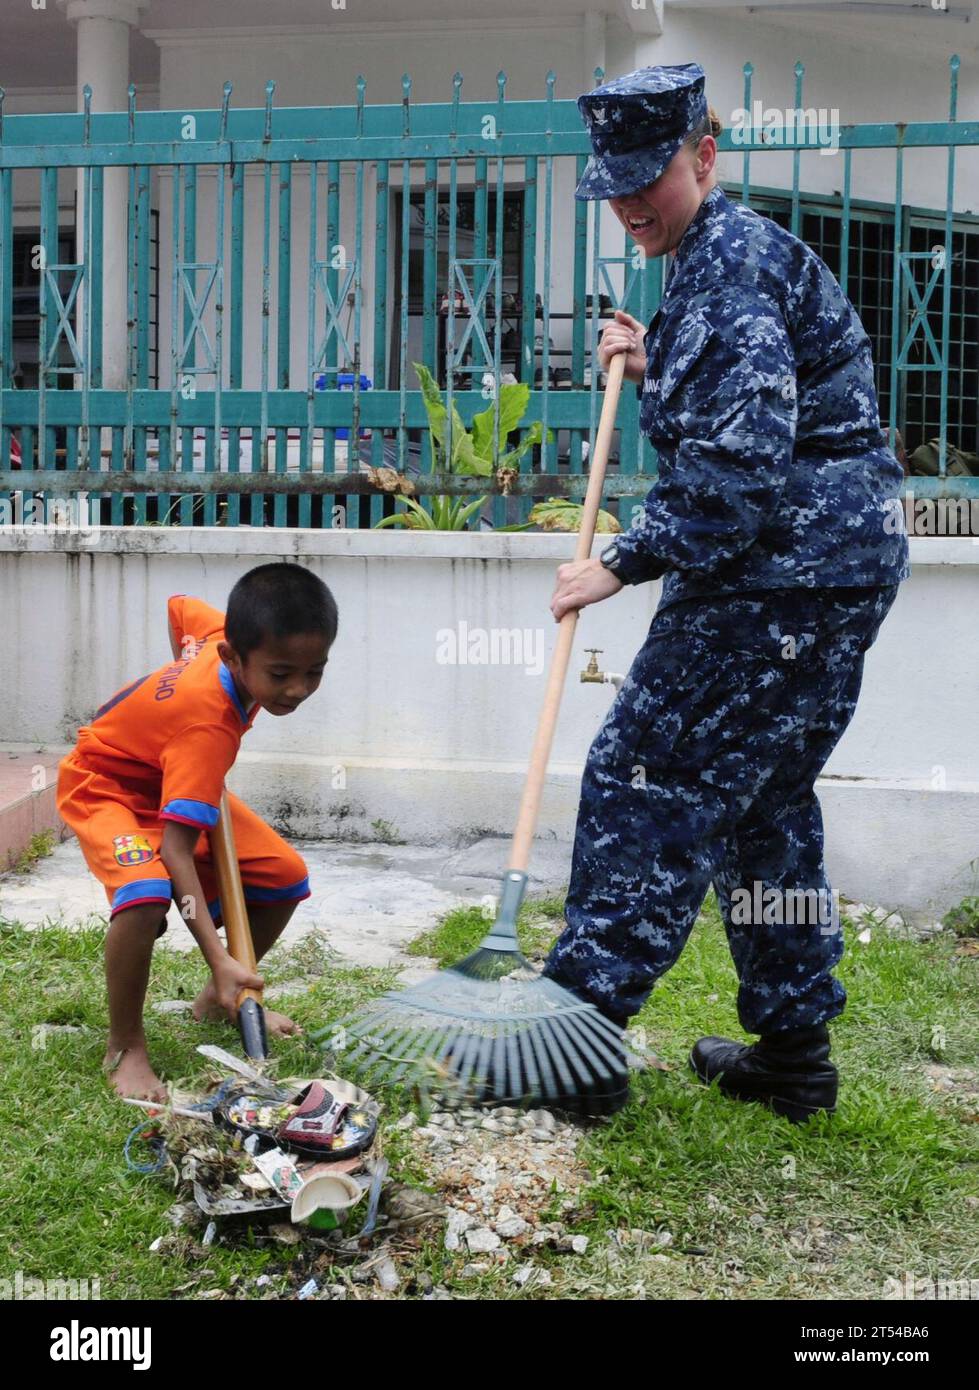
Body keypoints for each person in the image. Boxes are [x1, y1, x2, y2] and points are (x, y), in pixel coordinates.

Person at [540, 64, 910, 1122]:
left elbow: (736, 479)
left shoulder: (725, 271)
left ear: (702, 156)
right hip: (832, 567)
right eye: (610, 182)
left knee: (644, 775)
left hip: (773, 579)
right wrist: (656, 362)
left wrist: (616, 560)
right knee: (764, 810)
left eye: (644, 177)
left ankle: (576, 1045)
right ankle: (794, 1058)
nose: (625, 202)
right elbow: (766, 404)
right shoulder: (725, 260)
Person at [56, 563, 338, 1101]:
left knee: (284, 875)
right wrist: (219, 953)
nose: (299, 690)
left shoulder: (219, 635)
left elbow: (180, 606)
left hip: (176, 773)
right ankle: (126, 1046)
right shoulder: (206, 727)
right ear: (233, 656)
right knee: (145, 896)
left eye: (315, 671)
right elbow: (175, 852)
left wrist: (176, 699)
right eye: (280, 675)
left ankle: (216, 998)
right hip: (108, 785)